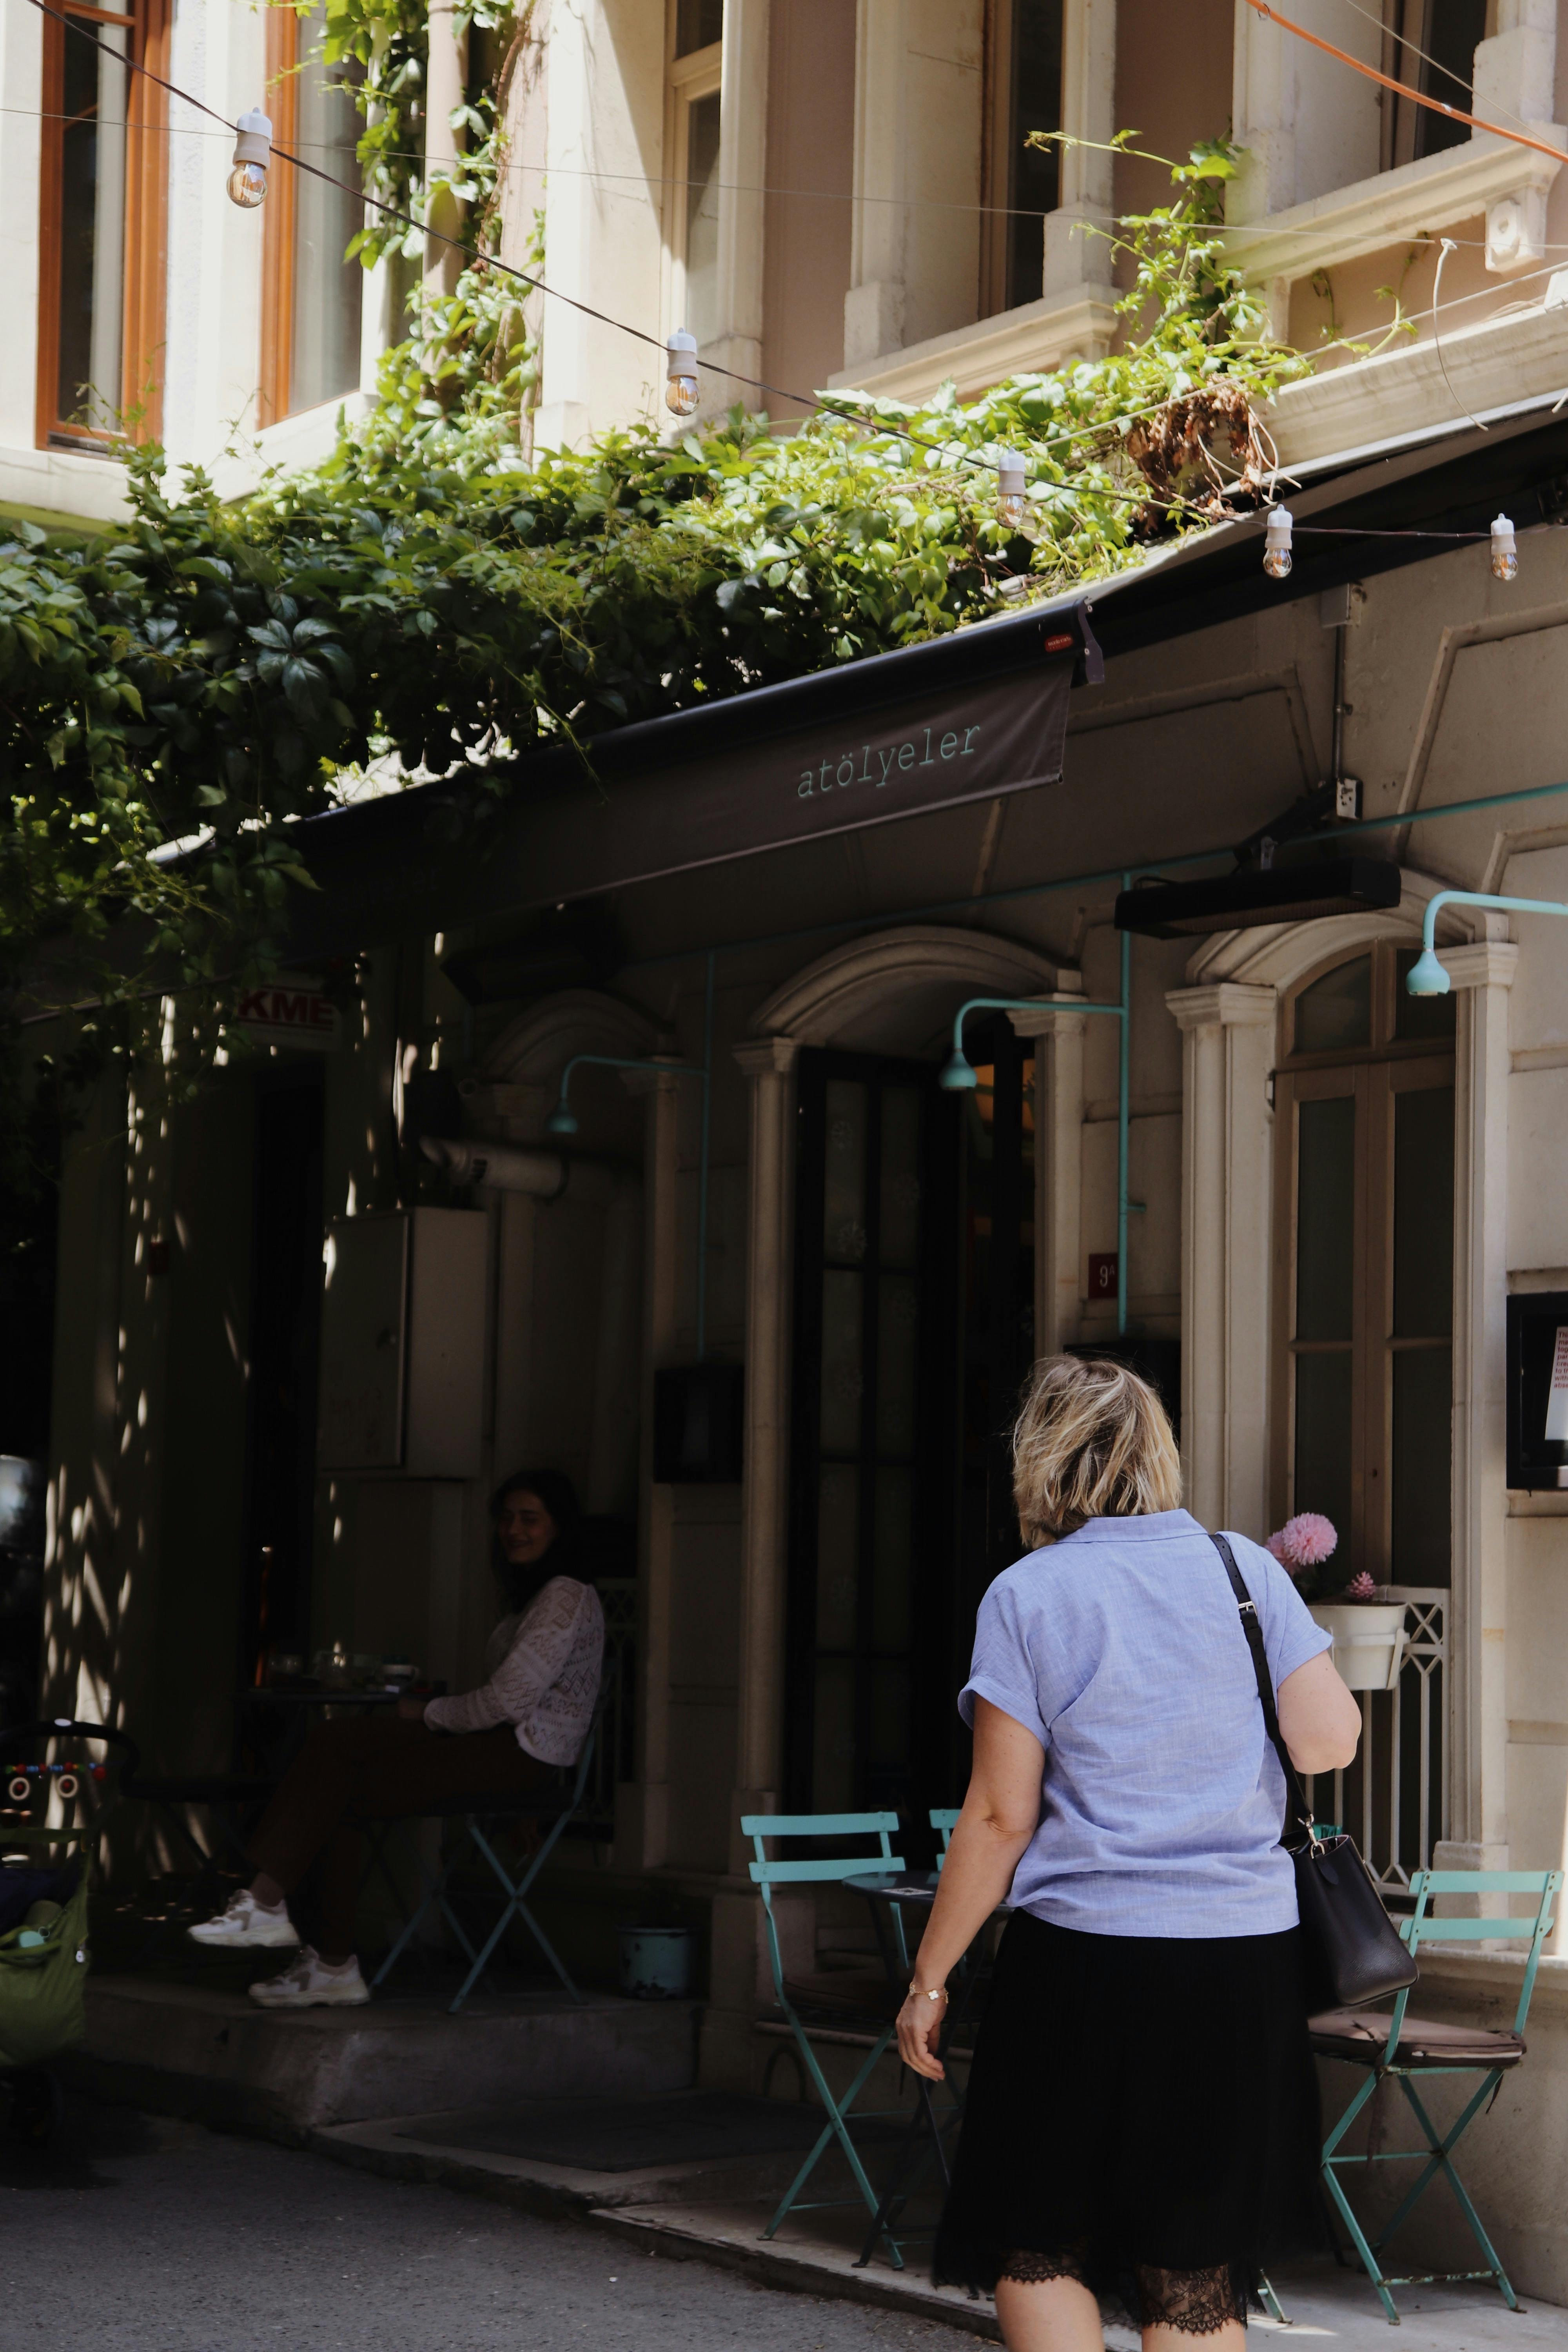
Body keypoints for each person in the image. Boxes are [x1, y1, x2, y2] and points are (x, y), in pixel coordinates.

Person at [903, 1356, 1361, 2352]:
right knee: (1195, 2268)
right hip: (1238, 1960)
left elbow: (999, 1816)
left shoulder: (1027, 1594)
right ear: (1157, 1453)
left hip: (1082, 1959)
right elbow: (1327, 1743)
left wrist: (929, 1979)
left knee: (1039, 2241)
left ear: (1040, 1461)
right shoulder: (1244, 1572)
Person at [189, 1468, 605, 2008]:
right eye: (506, 1518)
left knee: (338, 1787)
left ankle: (318, 1952)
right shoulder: (534, 1597)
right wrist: (428, 1716)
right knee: (336, 1743)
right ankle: (274, 1912)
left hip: (518, 1755)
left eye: (530, 1519)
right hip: (497, 1746)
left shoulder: (565, 1595)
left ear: (559, 1528)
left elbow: (507, 1703)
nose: (514, 1530)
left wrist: (427, 1713)